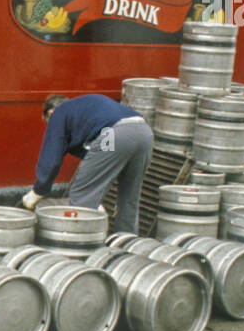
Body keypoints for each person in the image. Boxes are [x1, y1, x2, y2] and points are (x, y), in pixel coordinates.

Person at [22, 93, 153, 235]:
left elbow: (51, 159)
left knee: (80, 195)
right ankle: (127, 242)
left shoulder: (59, 113)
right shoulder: (84, 109)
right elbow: (95, 156)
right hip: (144, 133)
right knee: (129, 197)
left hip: (113, 134)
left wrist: (38, 190)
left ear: (50, 113)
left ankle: (83, 248)